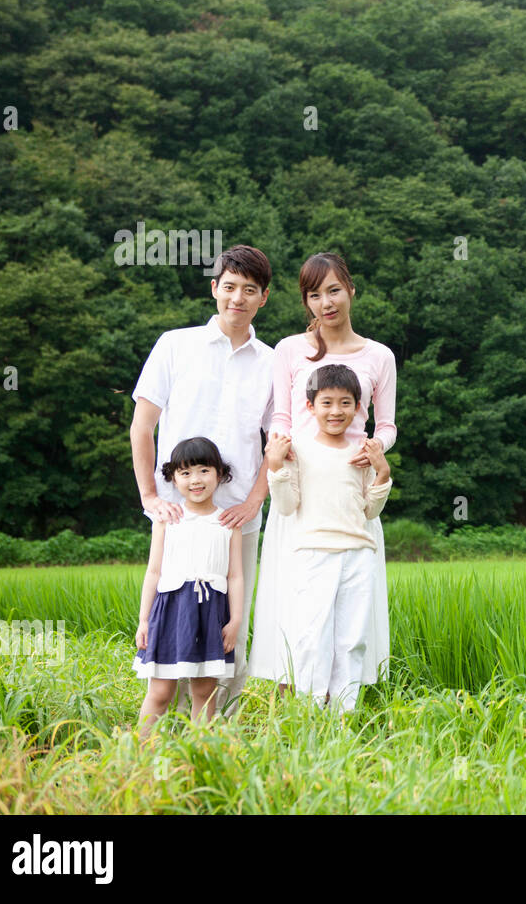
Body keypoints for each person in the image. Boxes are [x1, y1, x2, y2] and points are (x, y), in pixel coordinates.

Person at [129, 245, 275, 717]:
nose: (238, 298)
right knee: (166, 610)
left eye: (249, 290)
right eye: (229, 287)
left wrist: (255, 501)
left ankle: (216, 737)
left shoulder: (273, 362)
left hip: (235, 516)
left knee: (233, 624)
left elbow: (277, 442)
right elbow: (142, 424)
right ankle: (155, 724)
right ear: (215, 289)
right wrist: (151, 494)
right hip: (177, 514)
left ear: (263, 298)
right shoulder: (175, 344)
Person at [248, 252, 397, 692]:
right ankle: (294, 706)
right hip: (296, 491)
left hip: (350, 492)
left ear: (351, 289)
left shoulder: (379, 356)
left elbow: (385, 425)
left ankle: (343, 704)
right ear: (306, 301)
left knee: (350, 612)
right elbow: (281, 416)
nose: (325, 303)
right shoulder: (290, 350)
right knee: (294, 607)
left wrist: (374, 450)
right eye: (314, 295)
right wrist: (279, 447)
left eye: (333, 290)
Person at [265, 364, 392, 710]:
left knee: (352, 639)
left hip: (358, 554)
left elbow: (369, 511)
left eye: (345, 403)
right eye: (327, 403)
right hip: (313, 554)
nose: (336, 411)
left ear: (357, 407)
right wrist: (275, 467)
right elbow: (287, 505)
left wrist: (382, 472)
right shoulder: (298, 449)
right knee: (312, 636)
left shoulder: (363, 452)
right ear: (310, 407)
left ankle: (343, 714)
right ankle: (310, 711)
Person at [134, 438, 244, 738]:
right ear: (173, 478)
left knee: (205, 691)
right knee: (160, 691)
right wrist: (144, 620)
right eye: (185, 473)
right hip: (170, 611)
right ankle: (139, 754)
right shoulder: (167, 520)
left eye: (203, 470)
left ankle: (198, 753)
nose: (195, 480)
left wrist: (235, 621)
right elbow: (153, 571)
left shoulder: (228, 522)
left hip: (211, 613)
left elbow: (235, 576)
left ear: (219, 474)